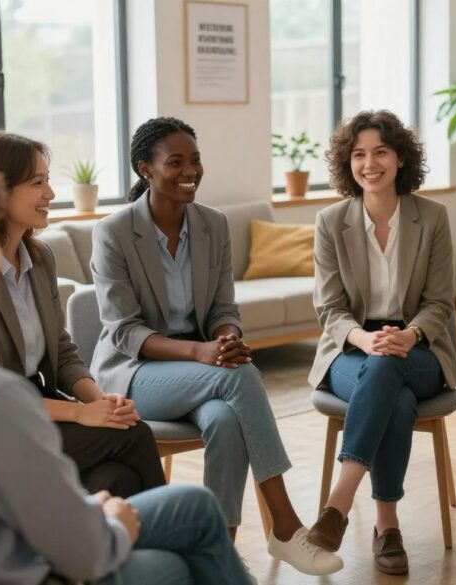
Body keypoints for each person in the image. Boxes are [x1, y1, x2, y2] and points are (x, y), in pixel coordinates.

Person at [0, 161, 250, 585]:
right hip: (22, 572)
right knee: (179, 550)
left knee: (157, 493)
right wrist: (112, 523)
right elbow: (88, 554)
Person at [89, 116, 341, 575]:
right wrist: (201, 354)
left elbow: (224, 308)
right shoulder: (115, 232)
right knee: (240, 378)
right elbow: (125, 332)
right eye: (176, 162)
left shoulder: (214, 225)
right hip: (136, 373)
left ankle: (218, 554)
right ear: (145, 168)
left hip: (204, 371)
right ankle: (285, 525)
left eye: (196, 160)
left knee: (226, 420)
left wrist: (226, 340)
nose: (191, 170)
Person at [0, 131, 166, 498]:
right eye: (37, 183)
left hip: (40, 402)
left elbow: (63, 350)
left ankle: (102, 551)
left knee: (116, 478)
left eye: (48, 181)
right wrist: (79, 414)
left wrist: (99, 402)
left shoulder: (40, 260)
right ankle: (182, 546)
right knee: (135, 435)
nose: (50, 195)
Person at [304, 110, 456, 575]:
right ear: (346, 163)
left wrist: (408, 335)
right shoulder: (331, 221)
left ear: (399, 159)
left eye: (380, 152)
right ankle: (386, 526)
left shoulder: (432, 217)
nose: (369, 164)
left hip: (420, 348)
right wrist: (364, 338)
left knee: (391, 368)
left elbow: (439, 302)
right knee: (391, 386)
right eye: (358, 154)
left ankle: (339, 502)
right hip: (351, 349)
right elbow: (330, 309)